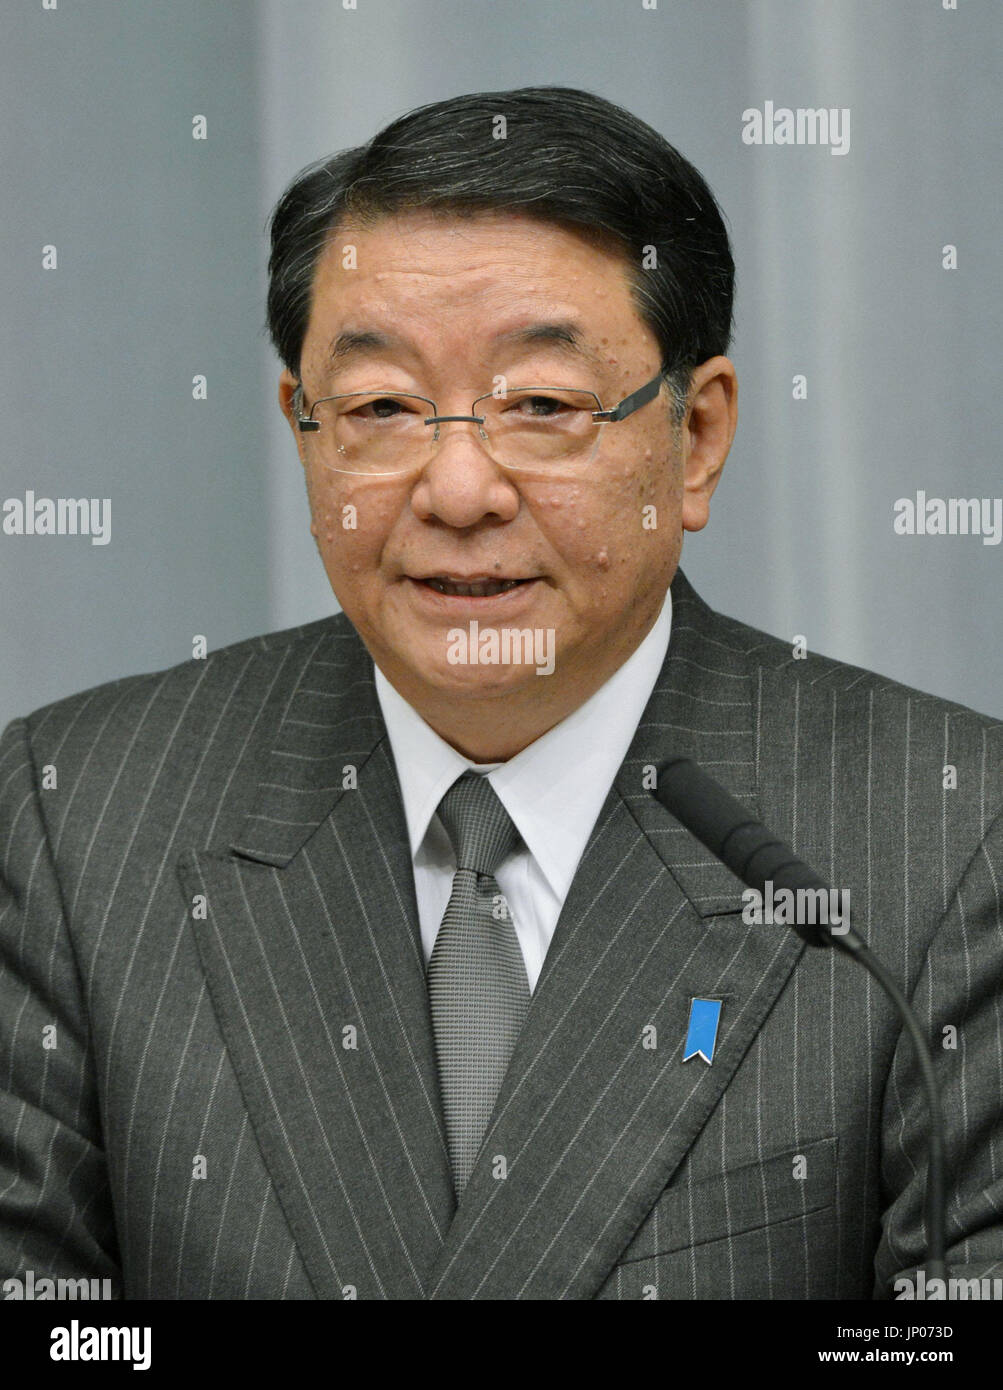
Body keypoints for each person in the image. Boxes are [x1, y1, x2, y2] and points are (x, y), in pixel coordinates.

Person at [1, 87, 1000, 1302]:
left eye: (541, 406)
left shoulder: (944, 838)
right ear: (304, 433)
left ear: (696, 440)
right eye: (379, 410)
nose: (459, 486)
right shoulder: (79, 815)